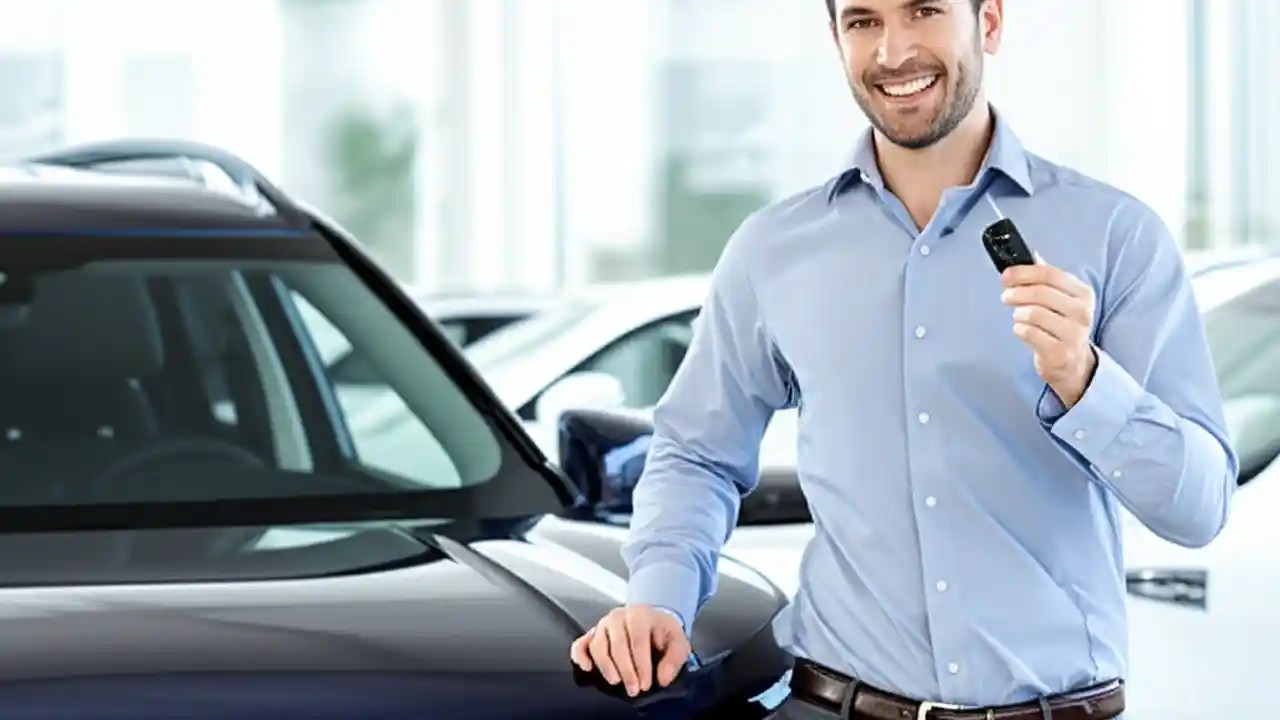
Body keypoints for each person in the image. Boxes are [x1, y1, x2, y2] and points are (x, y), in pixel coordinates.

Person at [570, 0, 1238, 717]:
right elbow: (697, 453)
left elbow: (1198, 508)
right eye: (863, 21)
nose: (893, 52)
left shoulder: (1115, 237)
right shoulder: (773, 251)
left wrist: (1086, 382)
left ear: (988, 24)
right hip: (832, 704)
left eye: (923, 11)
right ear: (836, 39)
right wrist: (659, 601)